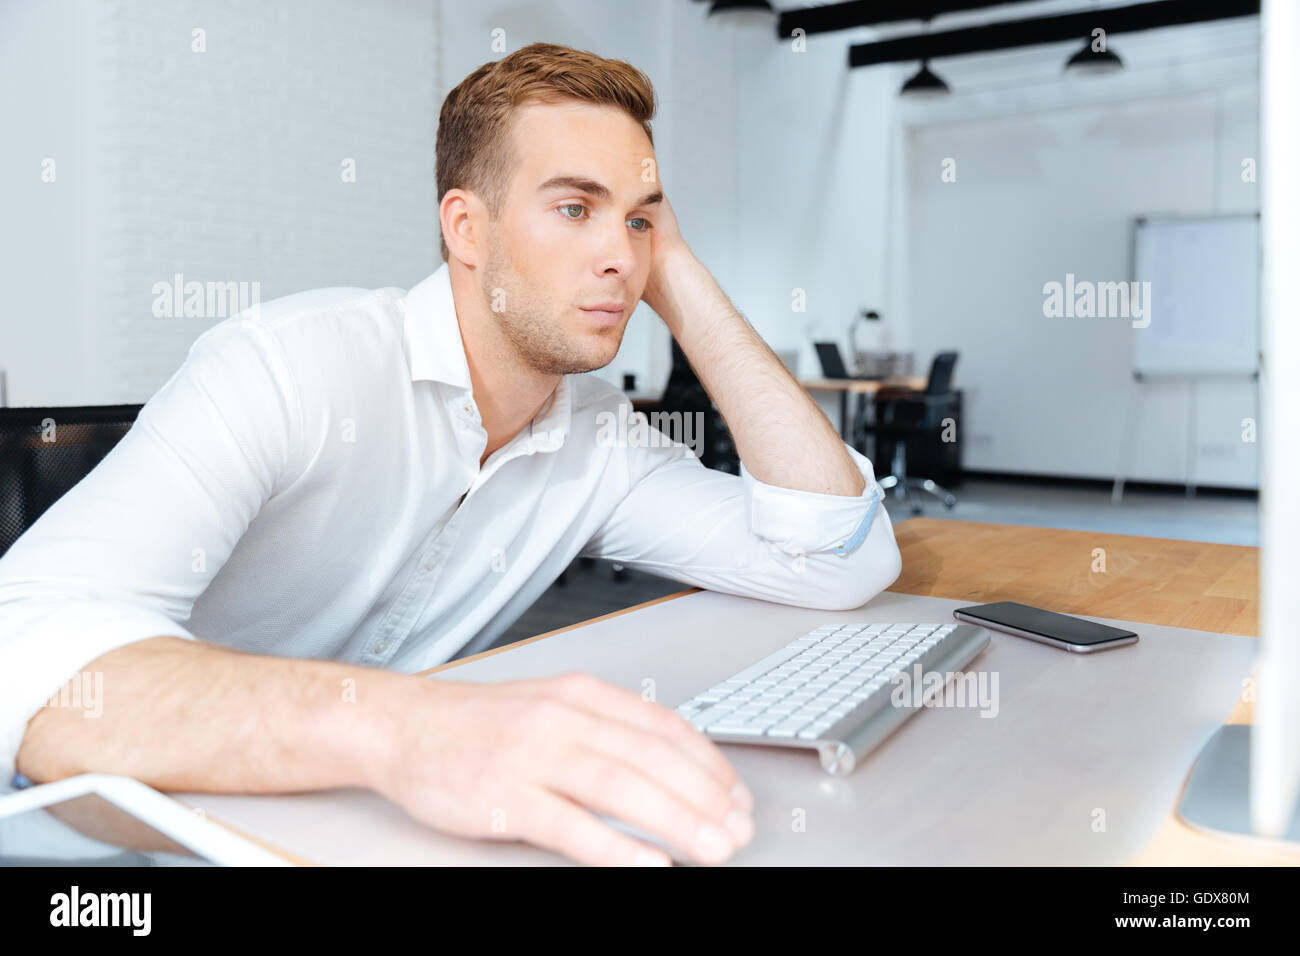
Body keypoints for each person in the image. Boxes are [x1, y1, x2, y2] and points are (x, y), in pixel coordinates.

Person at [0, 42, 900, 866]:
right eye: (575, 207)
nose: (619, 257)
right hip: (113, 840)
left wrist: (683, 275)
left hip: (354, 830)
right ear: (467, 229)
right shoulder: (292, 367)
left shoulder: (600, 438)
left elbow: (838, 558)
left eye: (638, 222)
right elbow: (19, 645)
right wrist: (403, 730)